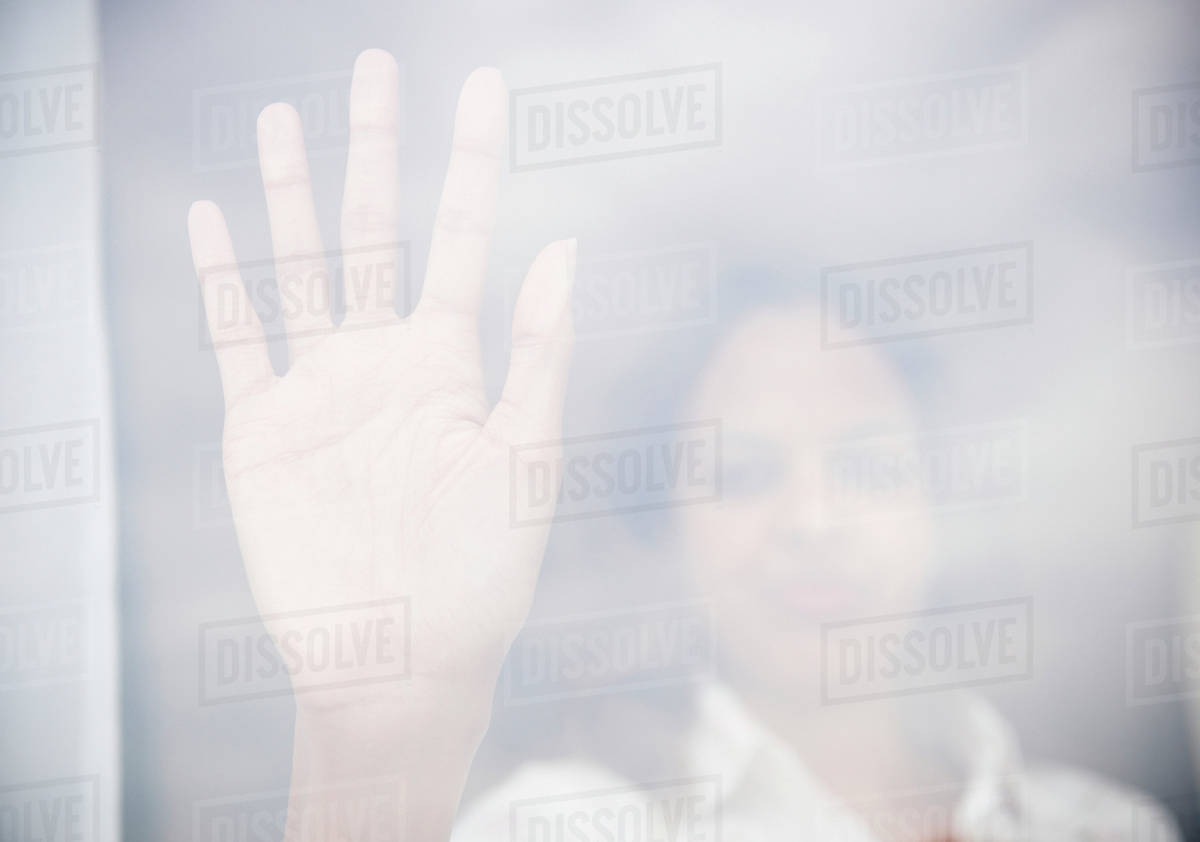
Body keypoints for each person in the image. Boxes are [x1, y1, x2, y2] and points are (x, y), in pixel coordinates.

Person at [187, 47, 1180, 842]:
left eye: (870, 463)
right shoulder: (572, 822)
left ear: (939, 498)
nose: (813, 519)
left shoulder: (1108, 824)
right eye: (742, 473)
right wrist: (369, 748)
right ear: (667, 522)